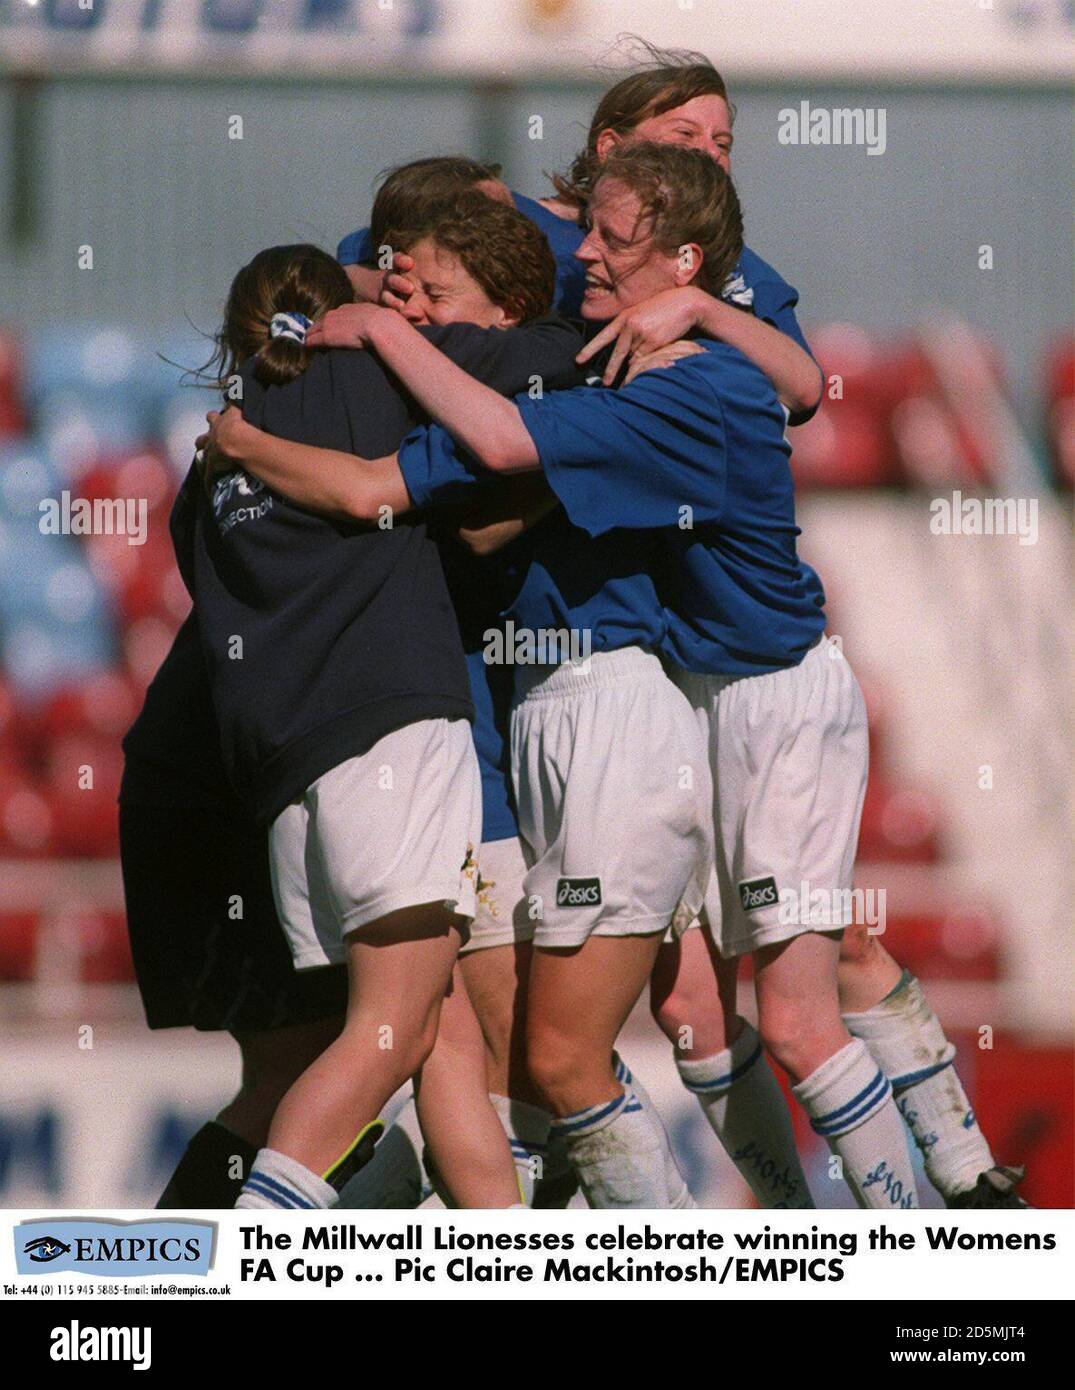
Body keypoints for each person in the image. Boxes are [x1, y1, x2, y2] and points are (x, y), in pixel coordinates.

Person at [203, 143, 926, 1211]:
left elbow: (475, 471)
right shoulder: (529, 368)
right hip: (559, 722)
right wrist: (367, 300)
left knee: (591, 1048)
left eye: (609, 233)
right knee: (524, 1042)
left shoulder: (587, 375)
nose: (584, 245)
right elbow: (410, 468)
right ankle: (615, 1241)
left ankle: (817, 1238)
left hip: (635, 711)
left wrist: (244, 438)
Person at [180, 210, 592, 1211]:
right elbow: (550, 357)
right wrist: (387, 310)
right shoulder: (371, 377)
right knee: (388, 1036)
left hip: (287, 780)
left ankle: (502, 1255)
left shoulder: (212, 464)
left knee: (433, 1032)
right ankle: (253, 1259)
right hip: (385, 734)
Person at [119, 617, 347, 1208]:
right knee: (303, 1072)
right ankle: (172, 1275)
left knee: (307, 1071)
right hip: (233, 778)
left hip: (212, 767)